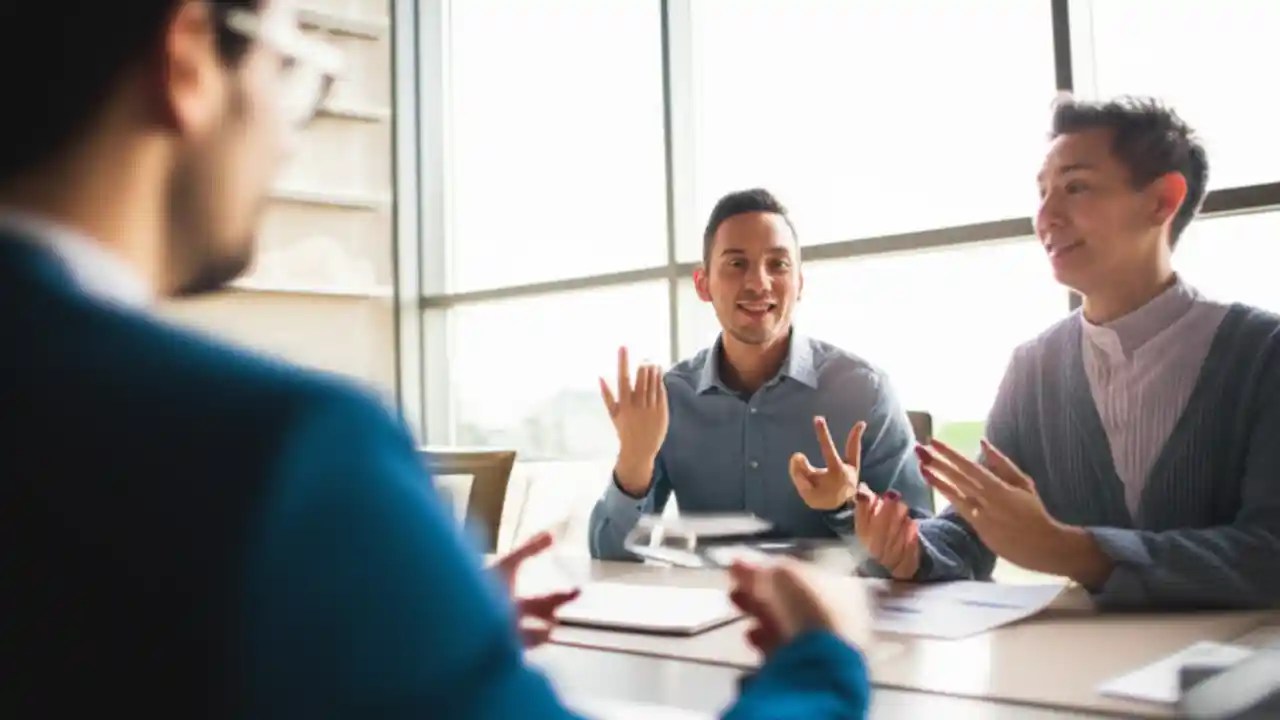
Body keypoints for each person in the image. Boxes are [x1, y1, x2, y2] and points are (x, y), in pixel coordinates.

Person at [0, 1, 875, 717]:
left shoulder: (857, 386)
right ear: (189, 58)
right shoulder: (291, 456)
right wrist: (823, 662)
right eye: (287, 70)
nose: (287, 137)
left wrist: (416, 625)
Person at [854, 97, 1280, 609]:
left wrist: (1073, 551)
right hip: (1080, 677)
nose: (1045, 216)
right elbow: (972, 533)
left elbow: (1268, 552)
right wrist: (909, 551)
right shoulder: (1034, 368)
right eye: (1042, 192)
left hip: (1240, 677)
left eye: (1076, 187)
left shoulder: (1263, 355)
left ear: (1162, 201)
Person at [589, 188, 930, 561]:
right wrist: (634, 462)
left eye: (778, 265)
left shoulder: (864, 392)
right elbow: (609, 558)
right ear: (703, 284)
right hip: (714, 613)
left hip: (838, 613)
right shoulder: (672, 399)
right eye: (737, 264)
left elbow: (917, 556)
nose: (758, 283)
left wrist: (845, 509)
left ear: (799, 283)